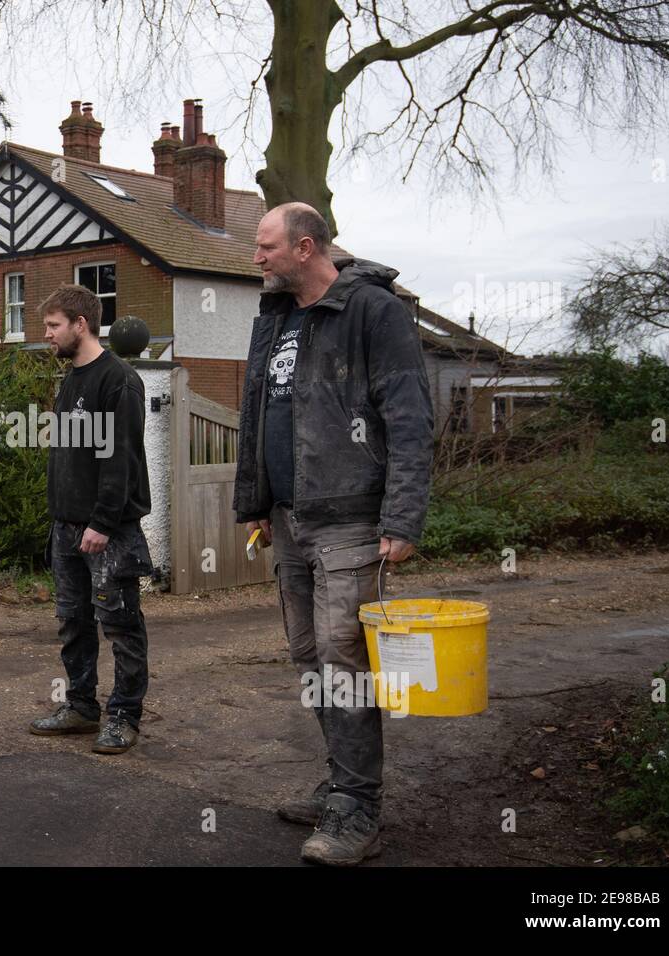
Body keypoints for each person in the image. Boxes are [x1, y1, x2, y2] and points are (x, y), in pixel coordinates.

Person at [234, 204, 434, 865]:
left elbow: (409, 417)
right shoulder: (278, 316)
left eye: (266, 247)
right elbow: (263, 410)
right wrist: (258, 498)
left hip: (351, 516)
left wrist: (402, 518)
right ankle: (339, 784)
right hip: (289, 518)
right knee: (309, 657)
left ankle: (356, 809)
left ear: (306, 246)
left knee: (344, 661)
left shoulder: (373, 311)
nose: (256, 258)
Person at [29, 284, 154, 754]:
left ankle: (124, 716)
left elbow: (120, 459)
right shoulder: (70, 380)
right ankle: (81, 706)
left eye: (54, 325)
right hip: (65, 528)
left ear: (81, 324)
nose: (47, 335)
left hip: (107, 532)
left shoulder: (118, 380)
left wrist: (101, 522)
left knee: (120, 624)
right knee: (73, 622)